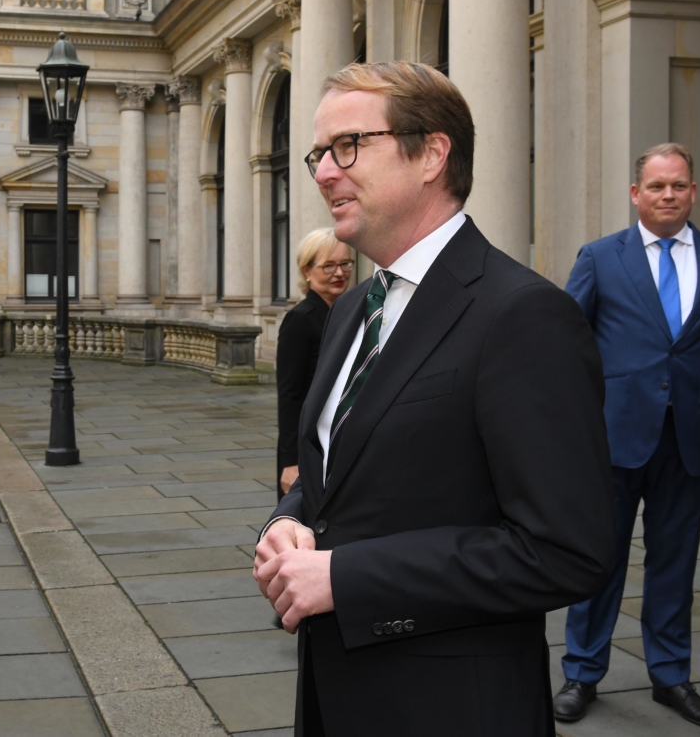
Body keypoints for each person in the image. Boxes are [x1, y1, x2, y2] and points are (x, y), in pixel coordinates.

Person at [252, 61, 614, 737]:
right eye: (318, 153)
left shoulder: (522, 314)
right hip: (333, 697)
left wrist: (347, 577)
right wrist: (288, 520)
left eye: (347, 145)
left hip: (452, 707)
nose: (324, 172)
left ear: (432, 154)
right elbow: (336, 475)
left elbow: (567, 551)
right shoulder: (352, 309)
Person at [553, 143, 700, 730]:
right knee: (599, 560)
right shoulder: (601, 258)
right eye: (656, 186)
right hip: (612, 439)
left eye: (678, 185)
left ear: (693, 192)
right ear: (636, 194)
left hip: (691, 440)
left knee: (675, 565)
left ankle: (671, 676)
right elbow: (567, 348)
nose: (668, 195)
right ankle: (582, 673)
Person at [276, 228, 352, 498]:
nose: (339, 273)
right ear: (307, 271)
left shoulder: (352, 313)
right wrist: (290, 462)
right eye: (328, 266)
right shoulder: (300, 320)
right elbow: (289, 395)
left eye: (345, 264)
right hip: (309, 447)